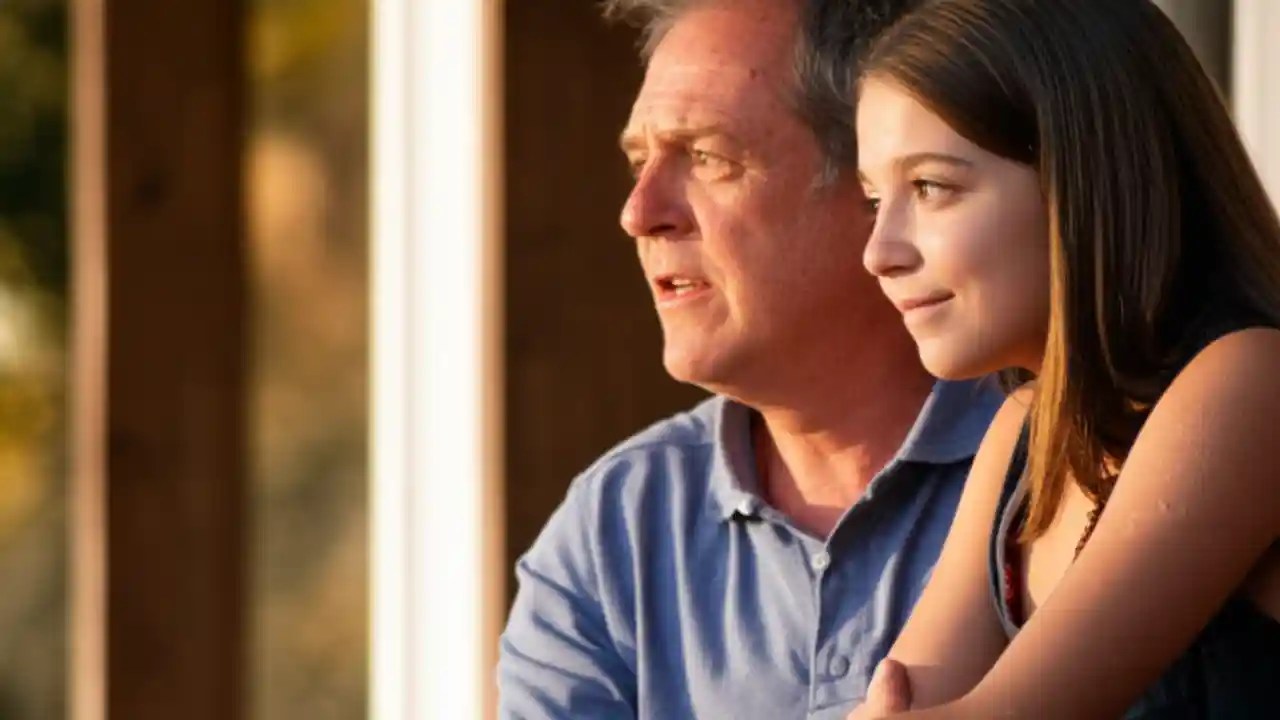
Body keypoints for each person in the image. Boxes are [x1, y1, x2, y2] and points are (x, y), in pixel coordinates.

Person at [496, 0, 1002, 718]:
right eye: (639, 162)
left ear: (877, 185)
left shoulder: (1066, 470)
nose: (639, 213)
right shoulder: (616, 531)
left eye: (706, 157)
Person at [851, 0, 1280, 717]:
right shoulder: (1026, 430)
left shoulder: (1250, 382)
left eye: (929, 187)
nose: (879, 252)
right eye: (873, 200)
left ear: (1087, 178)